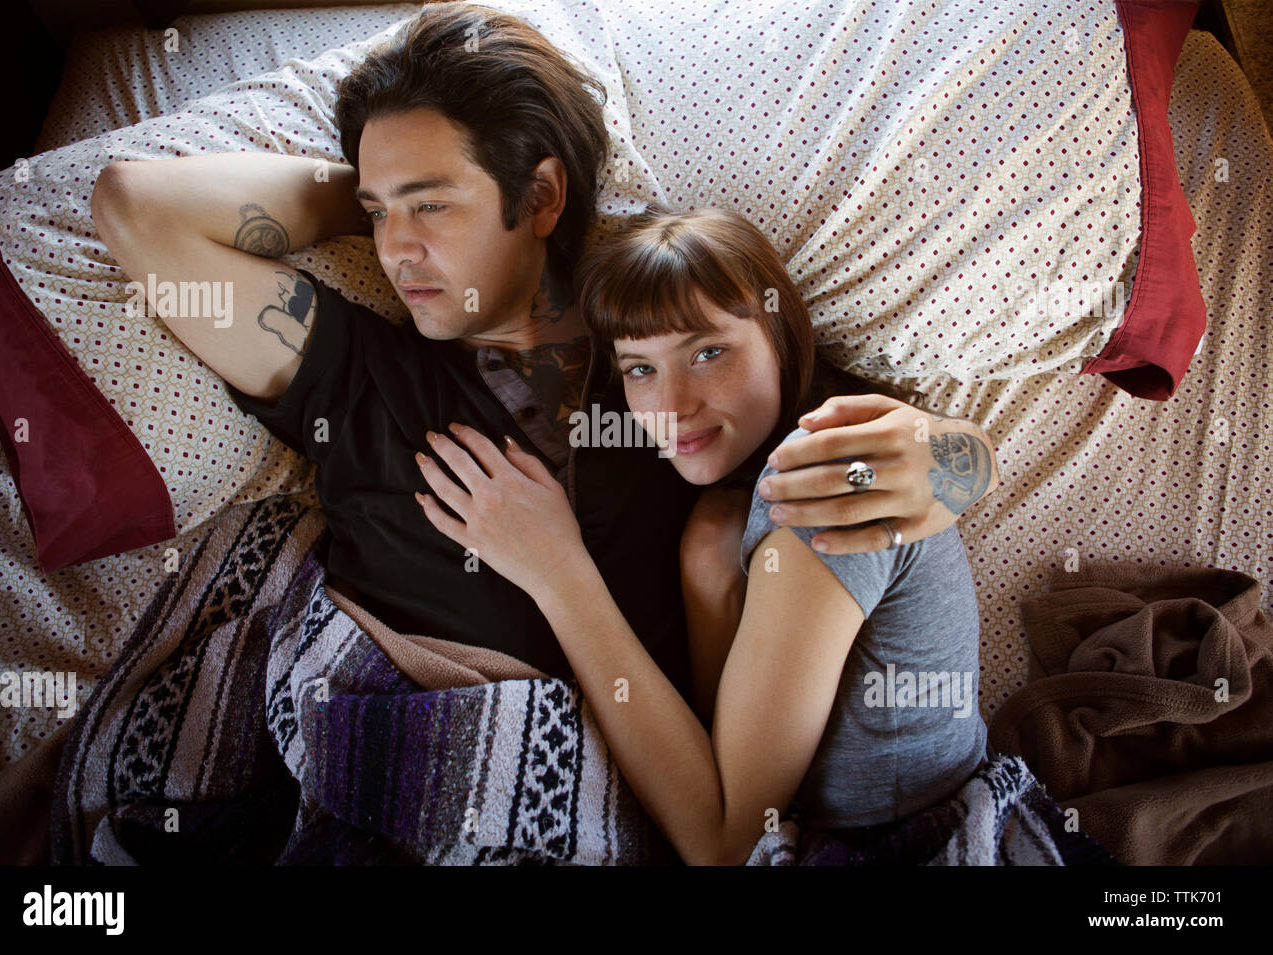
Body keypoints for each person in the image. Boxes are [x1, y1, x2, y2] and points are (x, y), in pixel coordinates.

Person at [89, 4, 998, 717]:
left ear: (543, 191)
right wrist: (385, 188)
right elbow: (137, 207)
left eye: (431, 206)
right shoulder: (356, 380)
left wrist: (953, 459)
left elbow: (930, 456)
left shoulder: (661, 358)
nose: (395, 250)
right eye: (377, 214)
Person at [414, 206, 992, 866]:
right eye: (639, 369)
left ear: (779, 336)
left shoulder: (819, 483)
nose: (672, 406)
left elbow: (726, 846)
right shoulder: (717, 509)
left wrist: (556, 570)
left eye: (709, 351)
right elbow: (717, 769)